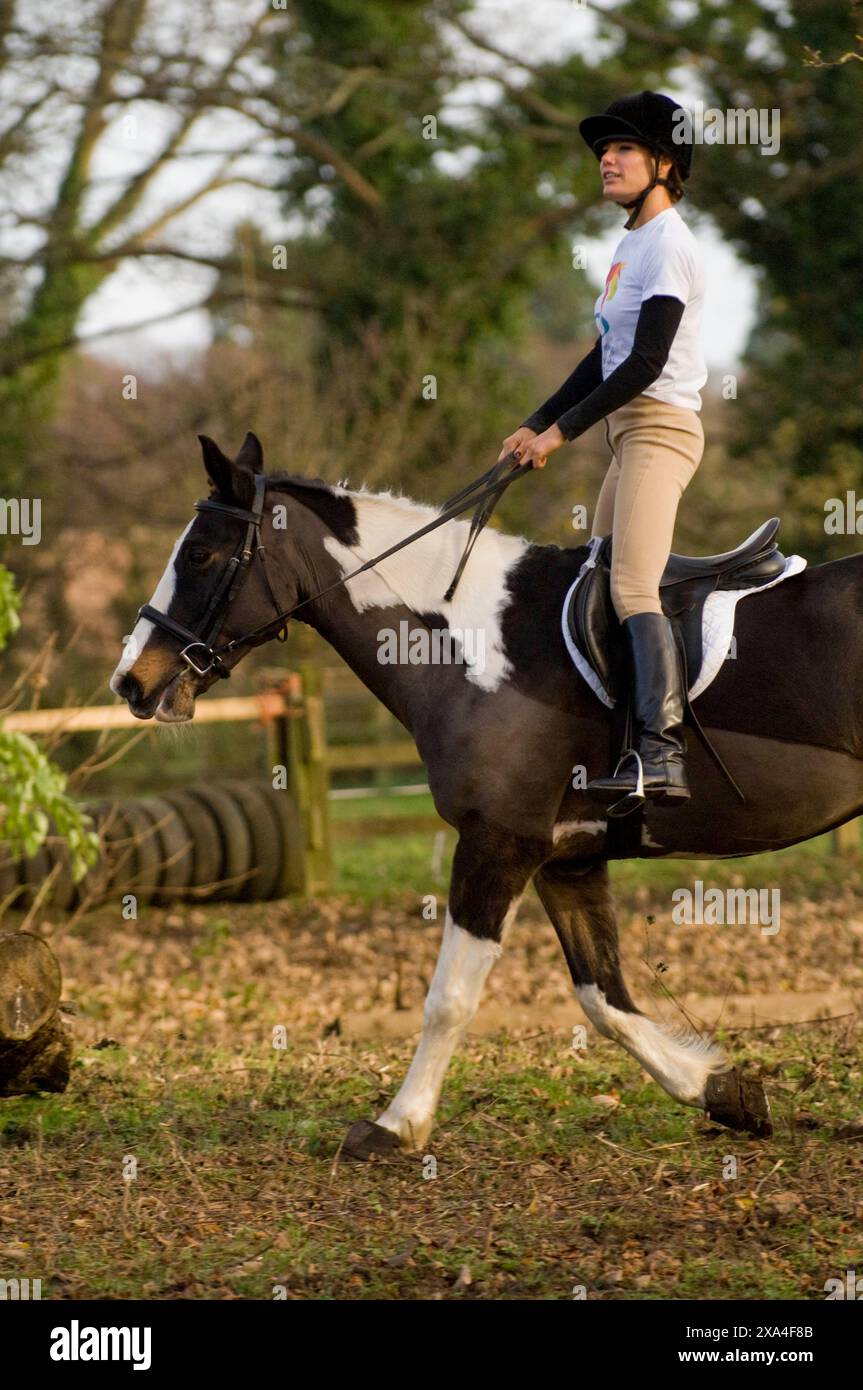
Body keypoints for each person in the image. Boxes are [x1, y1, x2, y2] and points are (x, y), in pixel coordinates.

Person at [498, 90, 706, 817]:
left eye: (621, 150)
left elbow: (644, 364)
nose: (605, 161)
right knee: (596, 576)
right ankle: (619, 741)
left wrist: (561, 435)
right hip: (627, 433)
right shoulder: (629, 247)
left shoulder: (671, 245)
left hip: (660, 428)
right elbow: (602, 356)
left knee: (630, 590)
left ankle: (663, 756)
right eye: (601, 152)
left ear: (663, 163)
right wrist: (536, 421)